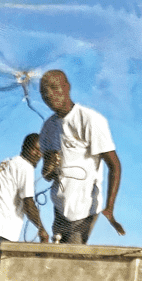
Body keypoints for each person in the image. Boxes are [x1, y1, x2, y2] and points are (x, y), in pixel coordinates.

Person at [38, 69, 125, 244]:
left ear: (67, 87)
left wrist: (109, 208)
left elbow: (114, 165)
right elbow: (47, 176)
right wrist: (50, 168)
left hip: (84, 207)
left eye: (55, 88)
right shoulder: (48, 126)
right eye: (44, 92)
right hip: (60, 207)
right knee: (58, 259)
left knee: (71, 254)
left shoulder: (89, 119)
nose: (49, 95)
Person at [0, 133, 50, 243]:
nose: (38, 154)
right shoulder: (25, 166)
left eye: (41, 151)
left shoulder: (6, 162)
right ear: (24, 147)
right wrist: (42, 231)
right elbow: (28, 204)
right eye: (34, 149)